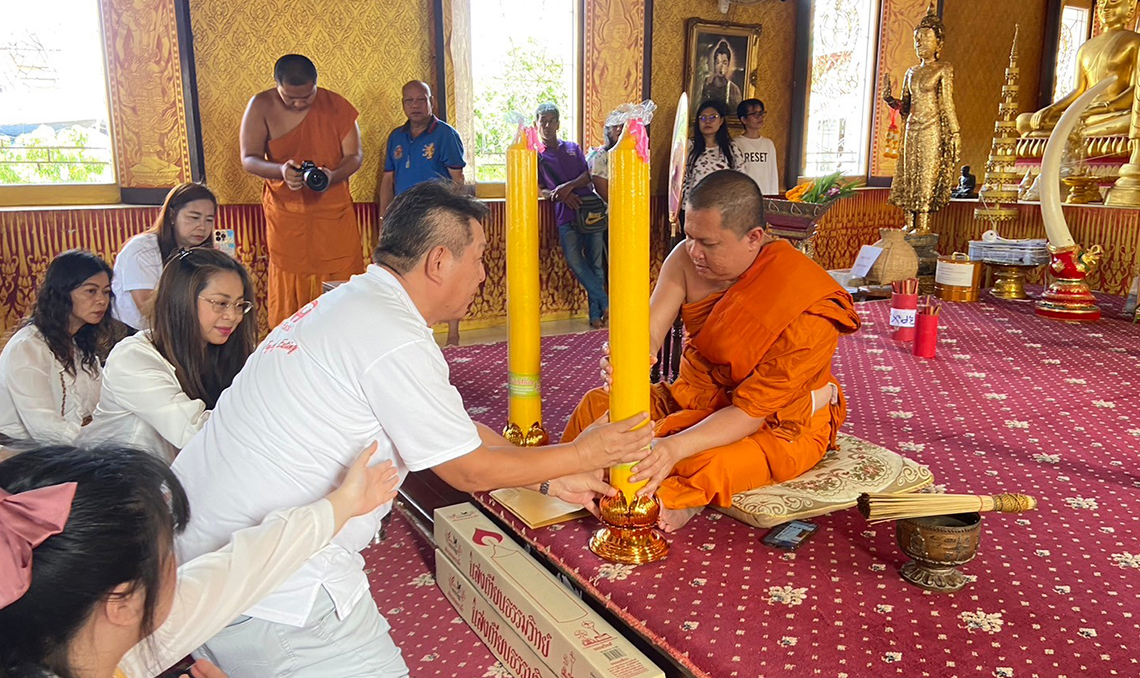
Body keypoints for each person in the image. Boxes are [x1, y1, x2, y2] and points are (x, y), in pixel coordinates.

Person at [171, 181, 652, 678]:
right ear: (440, 262)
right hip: (275, 593)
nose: (484, 275)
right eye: (480, 258)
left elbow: (455, 431)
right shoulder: (392, 334)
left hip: (203, 567)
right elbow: (465, 468)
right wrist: (587, 453)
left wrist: (547, 478)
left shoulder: (352, 305)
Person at [563, 171, 861, 533]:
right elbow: (649, 332)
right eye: (689, 237)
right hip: (694, 398)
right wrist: (629, 360)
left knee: (705, 461)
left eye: (708, 244)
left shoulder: (808, 304)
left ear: (754, 238)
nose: (694, 252)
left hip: (775, 425)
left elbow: (748, 414)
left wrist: (673, 449)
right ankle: (621, 482)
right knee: (596, 408)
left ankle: (682, 497)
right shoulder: (687, 260)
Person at [0, 442, 401, 678]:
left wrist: (343, 504)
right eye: (168, 554)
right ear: (122, 602)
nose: (181, 563)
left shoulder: (78, 643)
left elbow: (238, 569)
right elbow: (231, 575)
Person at [79, 249, 258, 463]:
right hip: (117, 483)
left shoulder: (221, 351)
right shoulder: (133, 358)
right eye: (221, 303)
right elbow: (196, 433)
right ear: (181, 301)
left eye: (239, 305)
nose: (233, 316)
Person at [239, 54, 365, 328]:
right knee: (290, 279)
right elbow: (249, 158)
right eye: (290, 98)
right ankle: (291, 345)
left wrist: (331, 176)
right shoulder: (261, 105)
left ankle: (341, 339)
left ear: (316, 84)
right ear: (277, 86)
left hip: (332, 212)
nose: (299, 103)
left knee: (340, 276)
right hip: (287, 213)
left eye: (307, 97)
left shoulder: (336, 106)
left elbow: (354, 156)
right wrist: (281, 171)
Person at [379, 80, 467, 346]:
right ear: (403, 104)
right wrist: (384, 216)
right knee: (408, 272)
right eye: (409, 101)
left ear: (431, 102)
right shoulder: (396, 137)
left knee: (447, 270)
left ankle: (453, 335)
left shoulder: (446, 135)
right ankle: (413, 332)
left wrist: (456, 216)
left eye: (421, 100)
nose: (415, 106)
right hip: (405, 218)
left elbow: (457, 179)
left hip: (438, 215)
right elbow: (387, 180)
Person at [0, 251, 114, 444]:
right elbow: (47, 431)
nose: (102, 300)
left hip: (78, 445)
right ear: (62, 294)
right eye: (91, 291)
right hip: (26, 454)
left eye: (106, 292)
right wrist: (104, 443)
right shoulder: (27, 348)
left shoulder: (80, 343)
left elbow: (101, 405)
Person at [535, 102, 609, 329]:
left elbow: (588, 175)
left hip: (589, 211)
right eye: (543, 121)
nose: (547, 125)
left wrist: (567, 186)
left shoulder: (572, 148)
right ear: (536, 124)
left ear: (558, 123)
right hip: (564, 215)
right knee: (576, 261)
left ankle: (596, 316)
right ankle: (607, 303)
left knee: (595, 262)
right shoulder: (536, 156)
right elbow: (540, 189)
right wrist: (560, 195)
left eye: (551, 121)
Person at [112, 183, 217, 331]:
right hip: (134, 335)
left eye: (209, 220)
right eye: (194, 218)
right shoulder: (142, 248)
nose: (202, 227)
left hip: (178, 332)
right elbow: (147, 307)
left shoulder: (199, 254)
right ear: (172, 216)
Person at [682, 100, 744, 210]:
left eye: (712, 117)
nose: (707, 122)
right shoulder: (689, 147)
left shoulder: (731, 149)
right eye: (702, 118)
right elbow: (680, 182)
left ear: (721, 121)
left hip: (724, 209)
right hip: (694, 209)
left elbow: (741, 181)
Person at [733, 99, 780, 196]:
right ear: (744, 119)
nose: (759, 117)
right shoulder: (735, 143)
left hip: (766, 196)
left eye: (761, 113)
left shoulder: (768, 144)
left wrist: (774, 197)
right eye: (755, 114)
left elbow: (773, 175)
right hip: (745, 197)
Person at [585, 119, 622, 204]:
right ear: (608, 131)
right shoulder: (601, 156)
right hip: (606, 208)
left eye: (623, 126)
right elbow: (601, 189)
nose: (619, 130)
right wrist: (618, 207)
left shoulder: (632, 156)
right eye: (615, 126)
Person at [698, 40, 743, 111]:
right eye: (718, 62)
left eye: (724, 63)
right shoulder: (707, 86)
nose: (721, 67)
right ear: (714, 64)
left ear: (728, 65)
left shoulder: (734, 89)